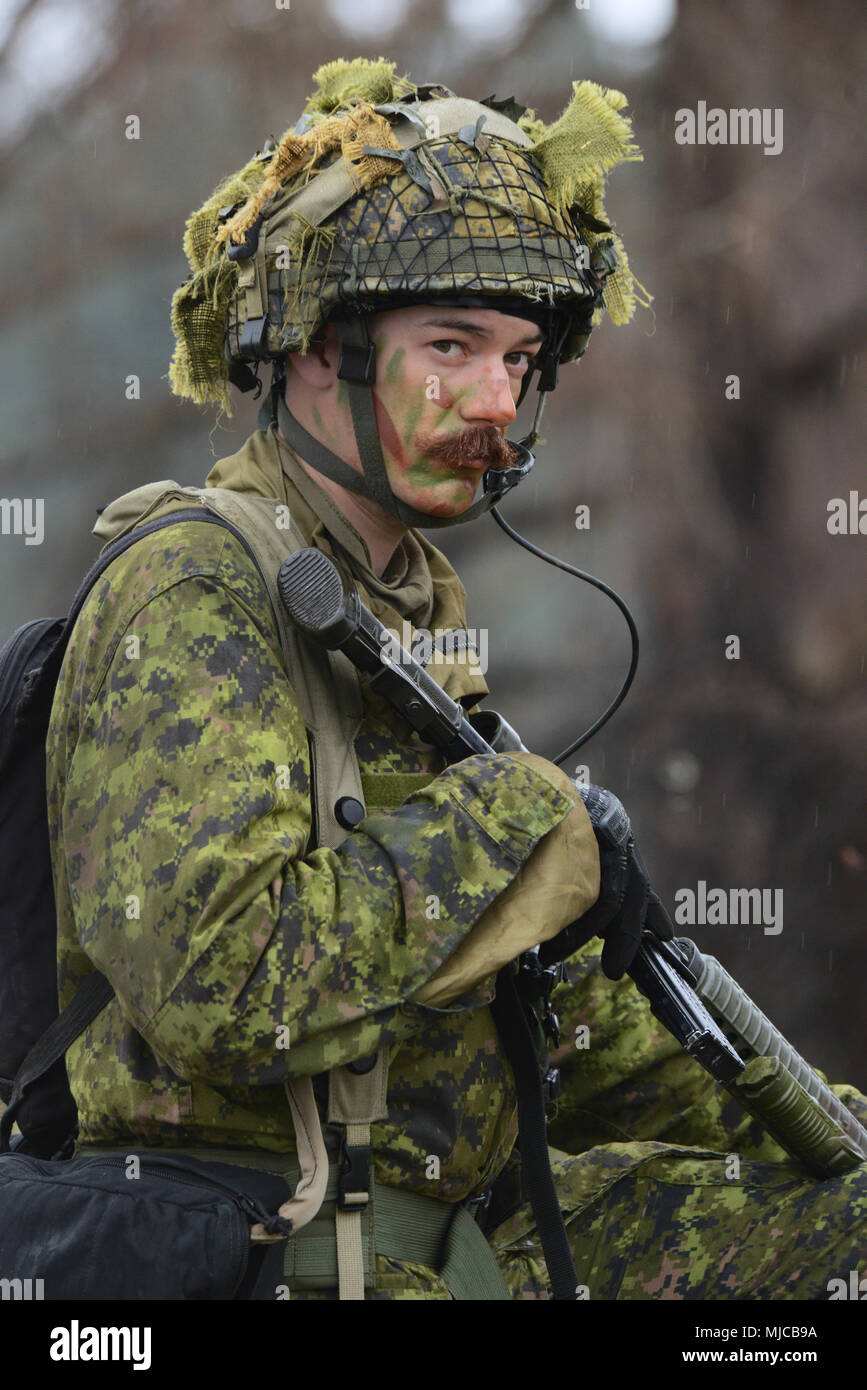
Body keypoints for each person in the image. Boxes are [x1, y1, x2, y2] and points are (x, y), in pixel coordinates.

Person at [45, 57, 866, 1300]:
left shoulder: (402, 618)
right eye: (451, 345)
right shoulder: (193, 592)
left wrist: (815, 1115)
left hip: (457, 1233)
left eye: (521, 358)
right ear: (320, 349)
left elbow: (558, 1031)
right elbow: (220, 983)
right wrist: (513, 821)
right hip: (271, 1253)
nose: (496, 399)